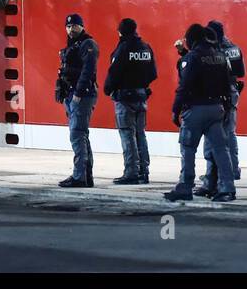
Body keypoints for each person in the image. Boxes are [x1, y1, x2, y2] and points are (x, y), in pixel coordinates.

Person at [164, 24, 235, 203]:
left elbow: (184, 85)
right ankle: (227, 188)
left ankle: (185, 186)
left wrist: (175, 109)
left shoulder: (192, 57)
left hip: (195, 109)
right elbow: (228, 83)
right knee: (221, 149)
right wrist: (226, 107)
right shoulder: (220, 56)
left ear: (192, 40)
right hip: (216, 108)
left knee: (188, 149)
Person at [102, 17, 157, 184]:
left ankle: (131, 172)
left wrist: (107, 89)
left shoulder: (123, 49)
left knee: (127, 134)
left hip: (125, 98)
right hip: (141, 96)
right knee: (140, 134)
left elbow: (114, 73)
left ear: (120, 32)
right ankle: (143, 171)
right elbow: (153, 73)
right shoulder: (146, 48)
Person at [196, 19, 245, 196]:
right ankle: (233, 168)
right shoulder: (234, 48)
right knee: (230, 132)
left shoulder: (213, 50)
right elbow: (241, 72)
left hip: (217, 95)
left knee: (213, 136)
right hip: (233, 92)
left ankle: (212, 178)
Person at [55, 13, 99, 188]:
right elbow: (66, 69)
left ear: (82, 26)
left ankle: (80, 176)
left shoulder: (88, 44)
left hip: (81, 95)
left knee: (77, 134)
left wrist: (78, 93)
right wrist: (60, 87)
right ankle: (85, 176)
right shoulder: (73, 45)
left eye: (74, 26)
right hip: (72, 93)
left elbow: (88, 71)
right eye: (68, 26)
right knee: (81, 134)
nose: (70, 29)